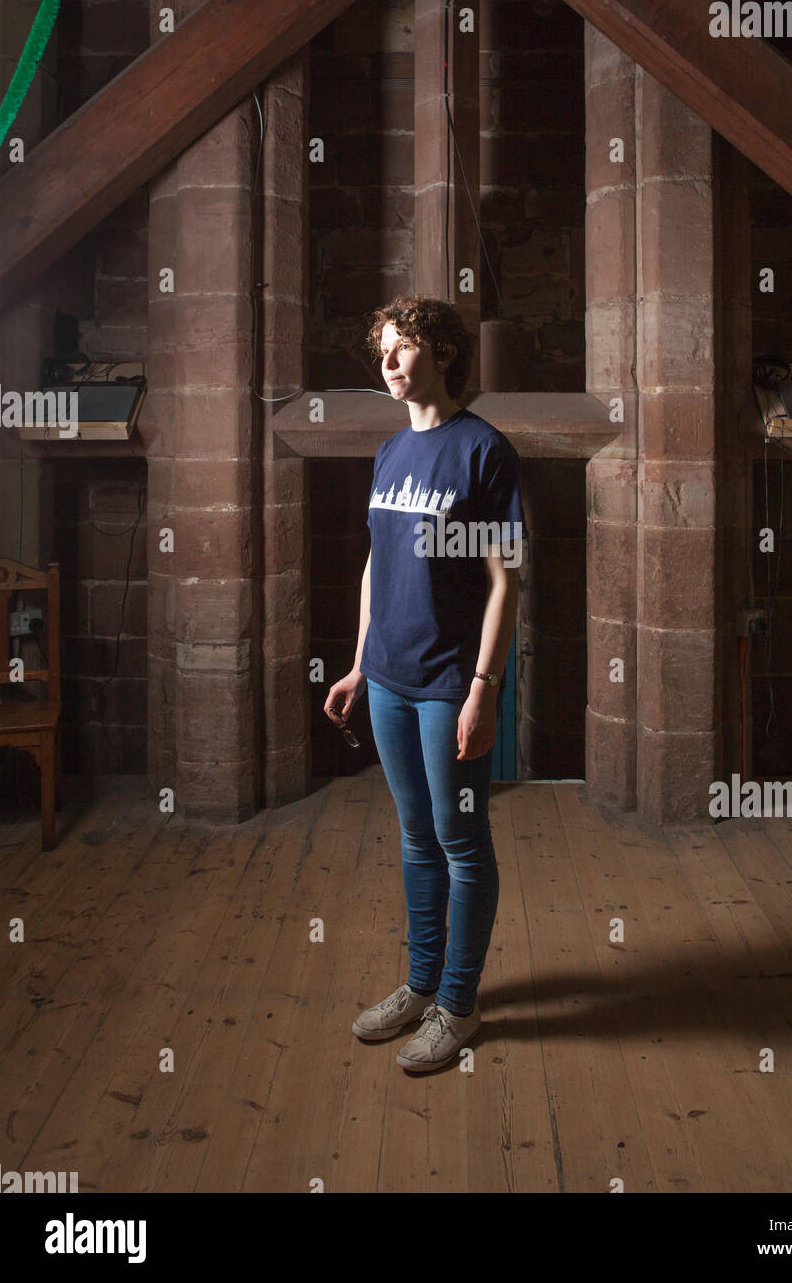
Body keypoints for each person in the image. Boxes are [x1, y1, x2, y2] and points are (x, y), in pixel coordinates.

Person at [323, 295, 527, 1073]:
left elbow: (504, 581)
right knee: (415, 839)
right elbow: (377, 562)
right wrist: (357, 661)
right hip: (387, 678)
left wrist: (483, 687)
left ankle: (458, 1004)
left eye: (403, 346)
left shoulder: (483, 452)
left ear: (442, 352)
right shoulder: (387, 455)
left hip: (449, 684)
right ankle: (418, 984)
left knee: (461, 844)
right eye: (381, 349)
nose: (389, 361)